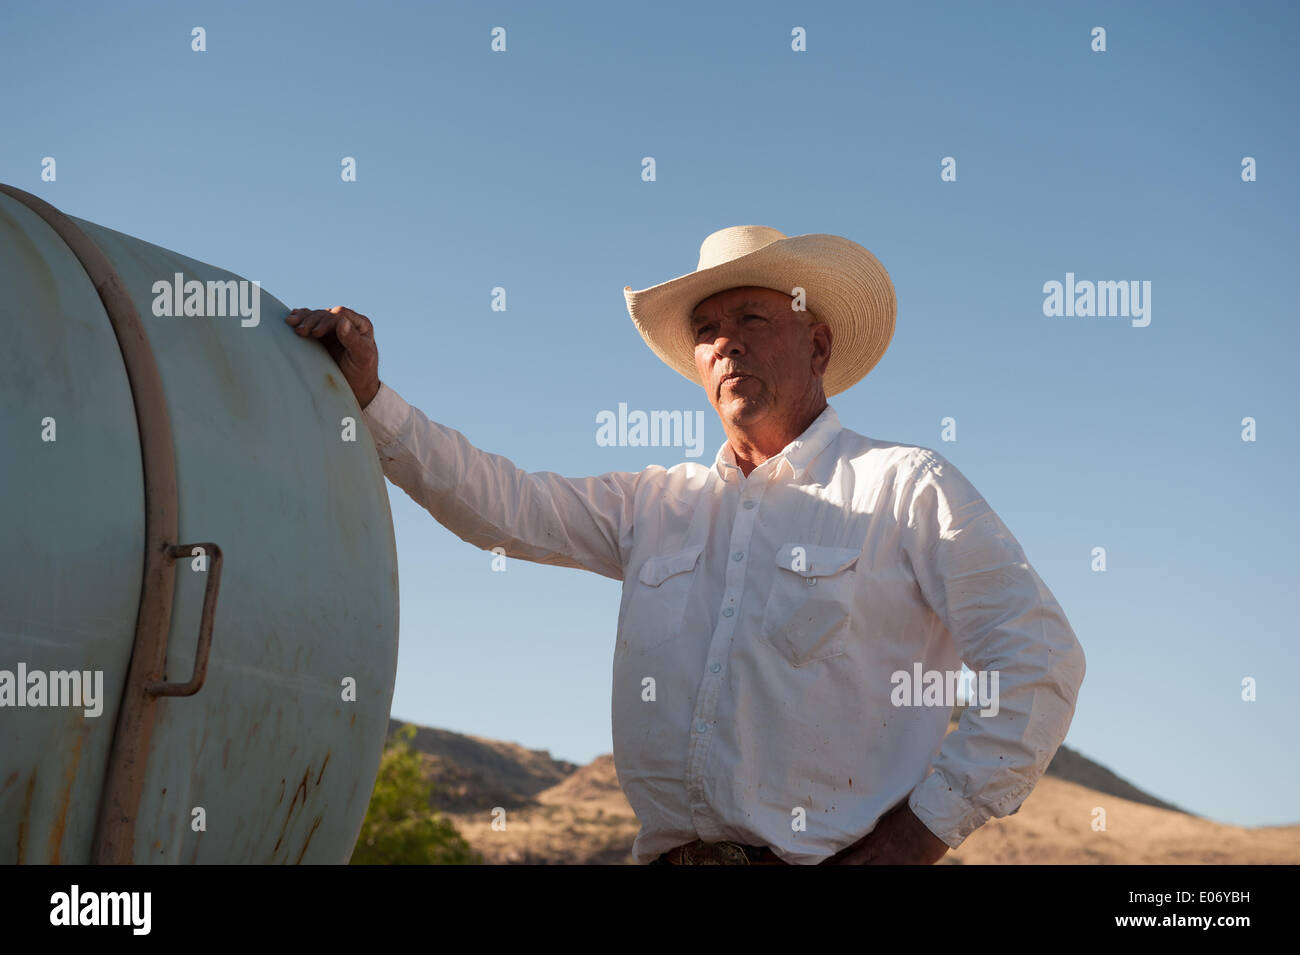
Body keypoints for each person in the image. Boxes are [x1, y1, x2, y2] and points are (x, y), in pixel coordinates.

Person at [285, 225, 1086, 865]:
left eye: (751, 320)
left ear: (818, 346)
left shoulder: (904, 486)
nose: (726, 343)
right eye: (707, 330)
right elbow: (503, 503)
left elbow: (1039, 660)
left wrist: (913, 840)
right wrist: (372, 400)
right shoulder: (657, 503)